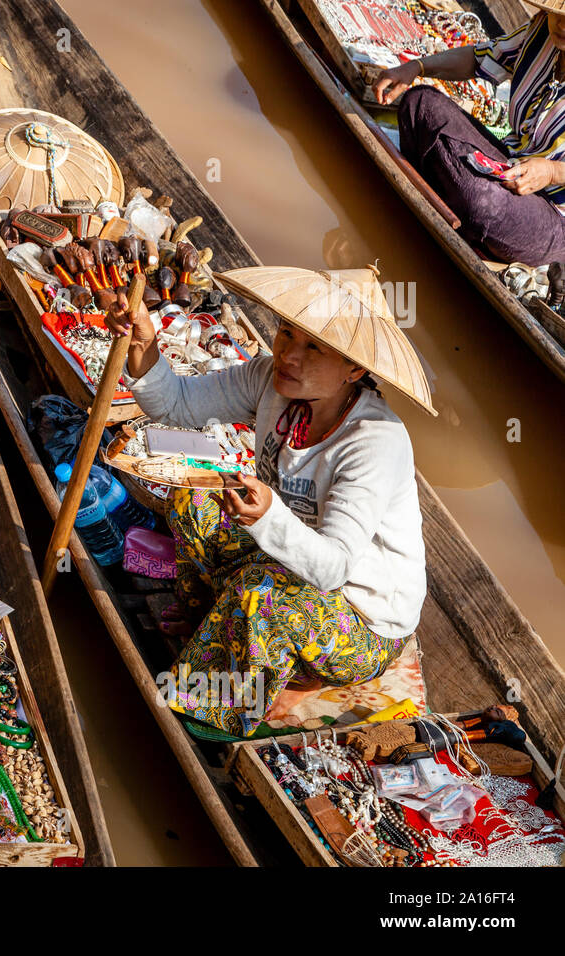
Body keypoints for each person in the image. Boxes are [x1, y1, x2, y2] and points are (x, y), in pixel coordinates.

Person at [108, 267, 434, 737]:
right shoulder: (271, 381)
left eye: (313, 348)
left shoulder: (374, 442)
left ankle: (212, 711)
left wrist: (269, 516)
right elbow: (176, 404)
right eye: (286, 334)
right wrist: (143, 341)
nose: (287, 355)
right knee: (193, 499)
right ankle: (208, 618)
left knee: (264, 592)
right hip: (288, 564)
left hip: (362, 622)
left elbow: (332, 569)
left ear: (355, 369)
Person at [376, 3, 565, 264]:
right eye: (560, 13)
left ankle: (461, 207)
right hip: (508, 164)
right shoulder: (539, 31)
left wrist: (552, 171)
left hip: (555, 216)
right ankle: (458, 207)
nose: (562, 24)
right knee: (420, 103)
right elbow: (479, 58)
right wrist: (417, 68)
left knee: (484, 204)